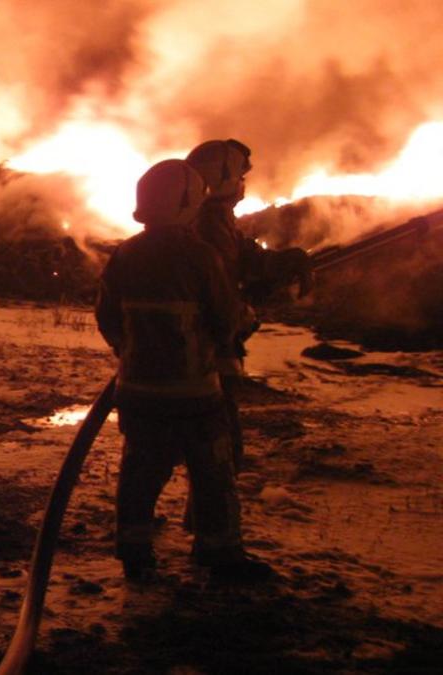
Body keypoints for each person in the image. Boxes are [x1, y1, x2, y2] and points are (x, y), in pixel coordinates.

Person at [96, 159, 273, 583]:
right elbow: (225, 316)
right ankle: (219, 552)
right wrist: (244, 319)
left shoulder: (125, 254)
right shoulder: (199, 255)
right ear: (188, 202)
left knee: (140, 472)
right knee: (213, 470)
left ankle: (134, 552)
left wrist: (130, 351)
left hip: (138, 391)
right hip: (195, 393)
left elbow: (106, 316)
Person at [185, 139, 310, 470]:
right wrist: (240, 315)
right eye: (240, 177)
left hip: (198, 358)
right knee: (217, 450)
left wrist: (281, 263)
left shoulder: (214, 219)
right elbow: (218, 289)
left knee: (194, 449)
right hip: (204, 359)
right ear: (222, 179)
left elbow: (245, 256)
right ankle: (213, 519)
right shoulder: (208, 226)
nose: (243, 185)